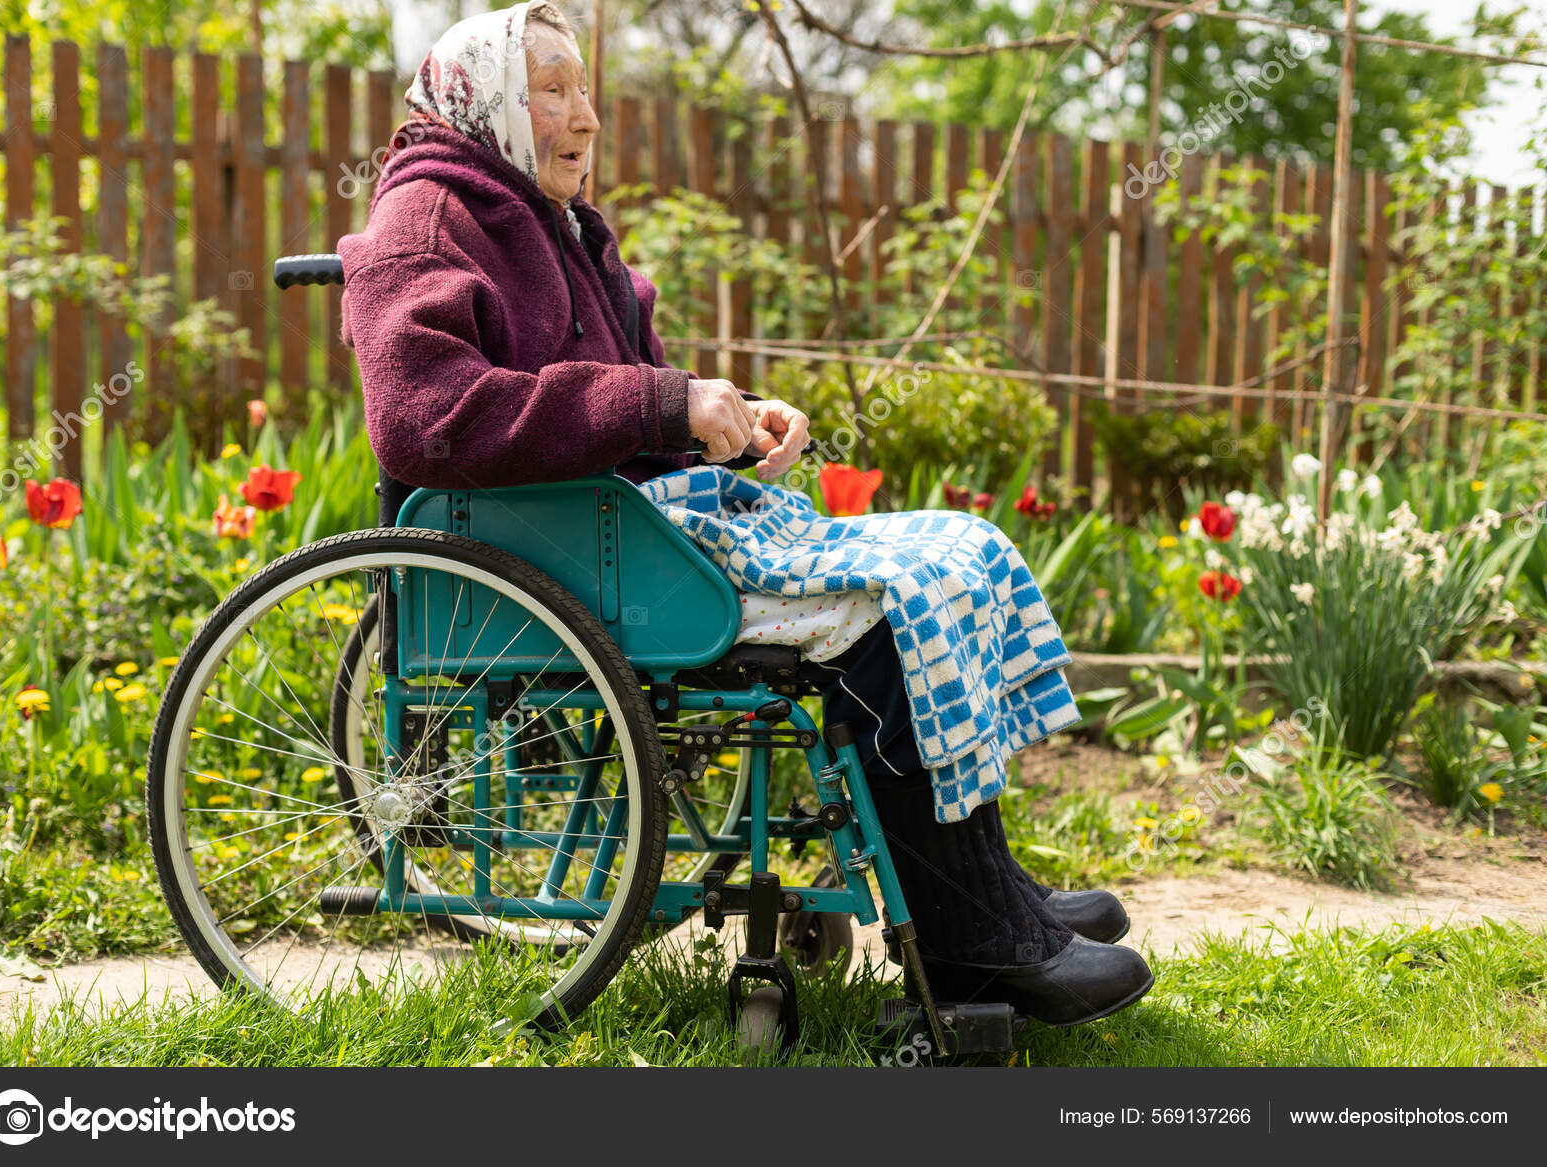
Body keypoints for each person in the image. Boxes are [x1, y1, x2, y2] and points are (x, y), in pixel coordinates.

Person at [337, 1, 1152, 1028]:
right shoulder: (431, 217)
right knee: (886, 600)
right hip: (564, 560)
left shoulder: (556, 222)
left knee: (959, 553)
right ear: (488, 101)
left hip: (622, 534)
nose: (585, 117)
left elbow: (623, 409)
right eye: (553, 90)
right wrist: (661, 403)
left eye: (585, 89)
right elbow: (429, 417)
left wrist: (720, 418)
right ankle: (971, 946)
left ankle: (980, 889)